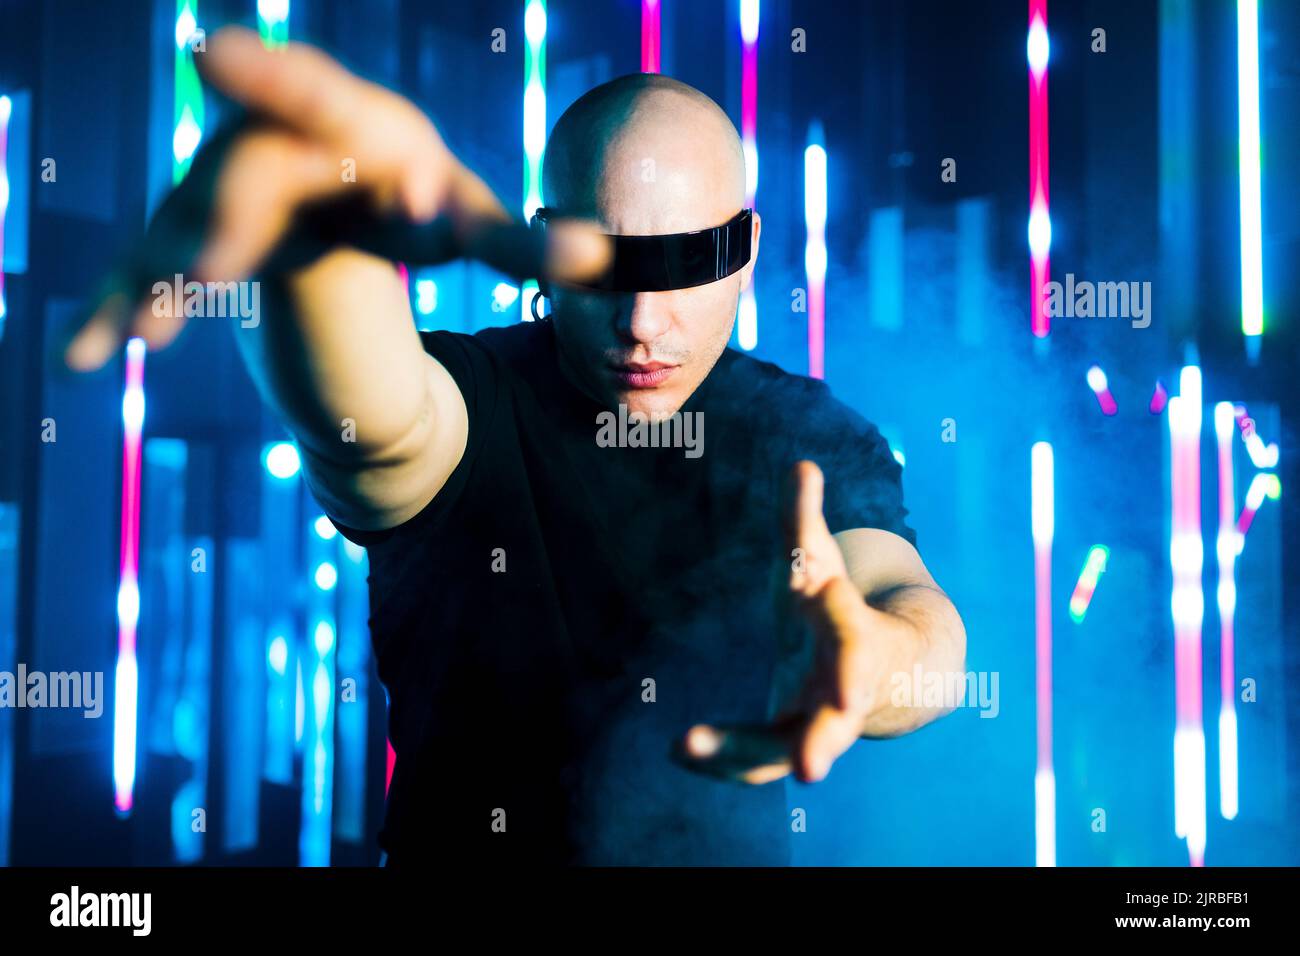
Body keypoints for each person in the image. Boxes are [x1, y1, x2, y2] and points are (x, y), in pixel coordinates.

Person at [67, 27, 966, 865]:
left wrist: (875, 663)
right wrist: (319, 239)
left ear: (748, 248)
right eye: (603, 263)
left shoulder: (807, 433)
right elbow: (378, 433)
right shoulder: (478, 400)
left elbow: (912, 616)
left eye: (686, 260)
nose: (641, 321)